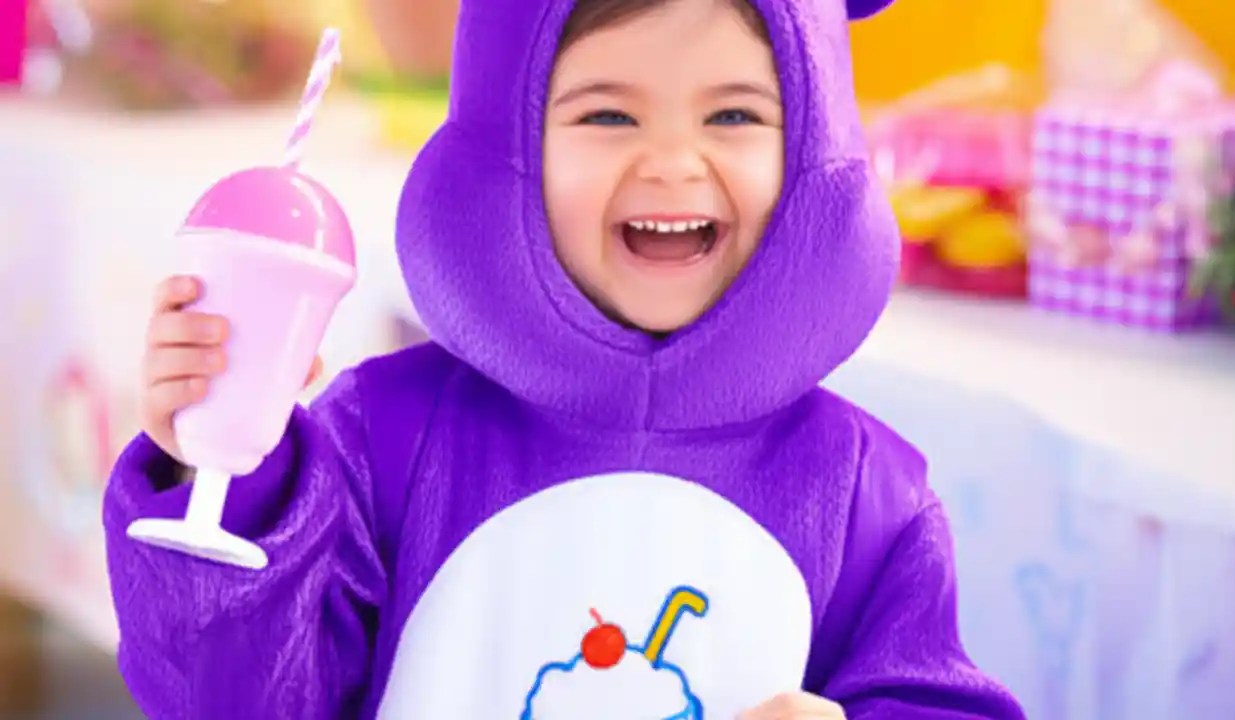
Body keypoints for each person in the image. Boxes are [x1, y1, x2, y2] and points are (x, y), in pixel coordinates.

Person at [103, 0, 1026, 718]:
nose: (673, 161)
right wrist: (219, 475)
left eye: (737, 114)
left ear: (817, 151)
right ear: (508, 147)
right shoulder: (377, 437)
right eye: (609, 115)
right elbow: (228, 697)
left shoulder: (871, 499)